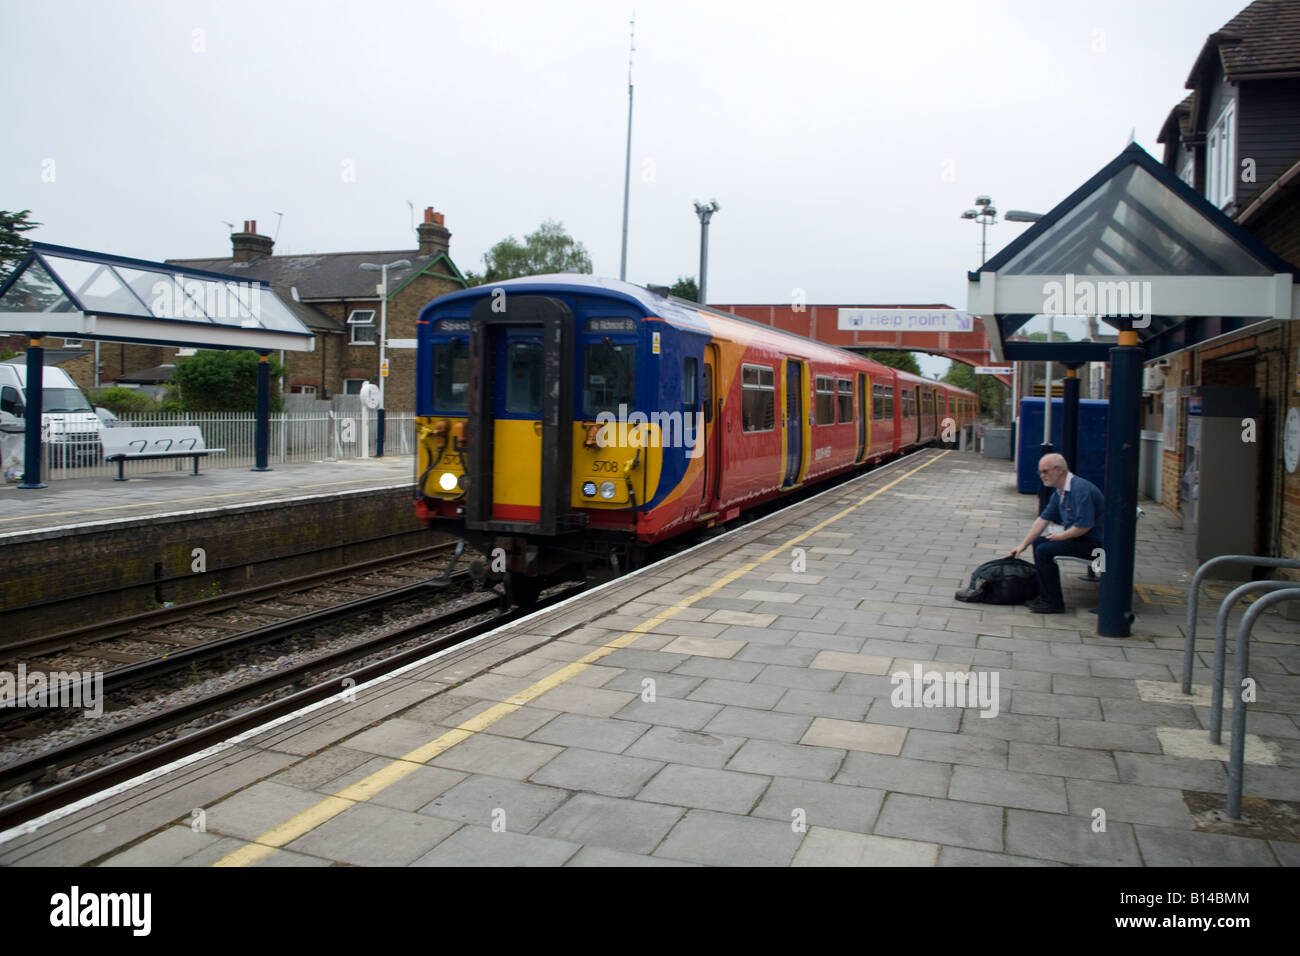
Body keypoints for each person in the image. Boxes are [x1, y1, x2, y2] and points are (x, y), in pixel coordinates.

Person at [1008, 453, 1104, 614]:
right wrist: (1023, 545)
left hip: (1098, 546)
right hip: (1083, 539)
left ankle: (1053, 602)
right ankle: (1046, 596)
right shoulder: (1060, 492)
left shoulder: (1080, 489)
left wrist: (1060, 537)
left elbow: (1084, 526)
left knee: (1045, 550)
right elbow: (1042, 520)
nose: (1042, 476)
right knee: (1039, 543)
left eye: (1045, 471)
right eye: (1040, 472)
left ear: (1059, 470)